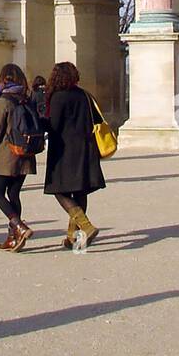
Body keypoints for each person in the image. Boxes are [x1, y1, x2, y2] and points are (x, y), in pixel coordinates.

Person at [0, 63, 37, 252]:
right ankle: (13, 237)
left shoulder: (3, 100)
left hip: (7, 155)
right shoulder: (26, 99)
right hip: (25, 154)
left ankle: (19, 226)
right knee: (14, 194)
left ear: (3, 79)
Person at [44, 62, 105, 250]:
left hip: (64, 149)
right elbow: (97, 119)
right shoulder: (84, 95)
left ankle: (85, 226)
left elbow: (53, 125)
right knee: (80, 191)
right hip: (86, 148)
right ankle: (75, 238)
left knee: (58, 189)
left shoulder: (58, 97)